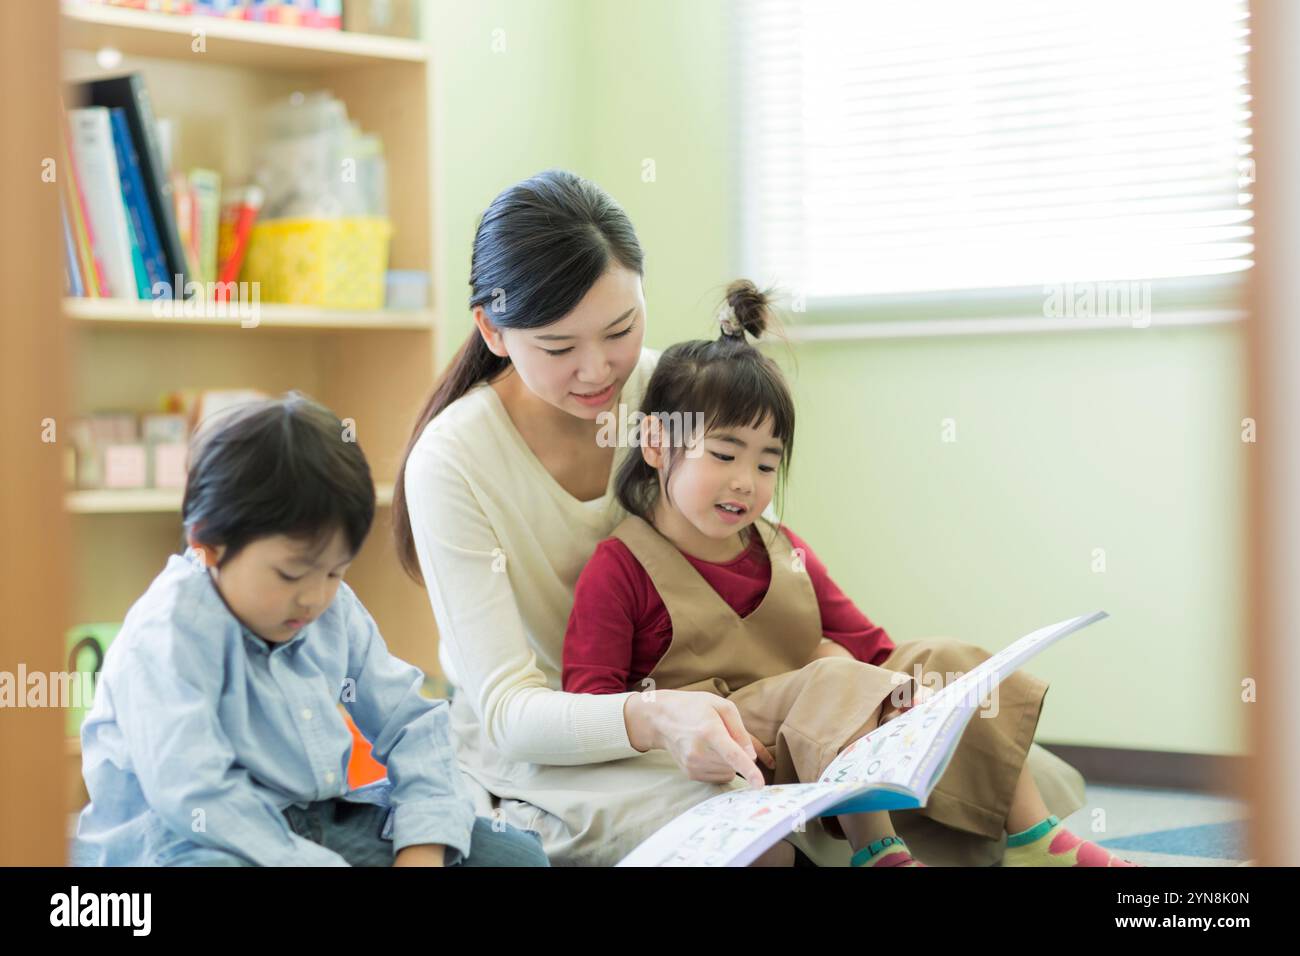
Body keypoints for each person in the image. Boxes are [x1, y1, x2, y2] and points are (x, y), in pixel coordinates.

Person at [394, 168, 1088, 866]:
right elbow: (513, 714)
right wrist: (658, 717)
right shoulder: (452, 462)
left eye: (620, 329)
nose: (598, 370)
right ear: (492, 328)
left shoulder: (680, 391)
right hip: (575, 742)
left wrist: (855, 689)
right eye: (557, 348)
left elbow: (767, 561)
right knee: (748, 830)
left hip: (748, 697)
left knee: (1019, 776)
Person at [561, 280, 1139, 867]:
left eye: (767, 462)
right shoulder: (620, 567)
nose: (746, 481)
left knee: (947, 659)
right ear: (658, 444)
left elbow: (878, 653)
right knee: (833, 668)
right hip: (733, 747)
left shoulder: (783, 550)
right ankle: (878, 850)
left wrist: (917, 698)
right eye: (725, 453)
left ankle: (1034, 840)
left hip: (820, 732)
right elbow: (590, 709)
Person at [71, 392, 549, 867]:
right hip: (188, 839)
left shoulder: (330, 605)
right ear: (209, 546)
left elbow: (411, 724)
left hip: (314, 819)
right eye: (290, 574)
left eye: (335, 571)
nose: (314, 597)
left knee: (514, 856)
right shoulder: (167, 633)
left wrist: (422, 845)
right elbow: (196, 795)